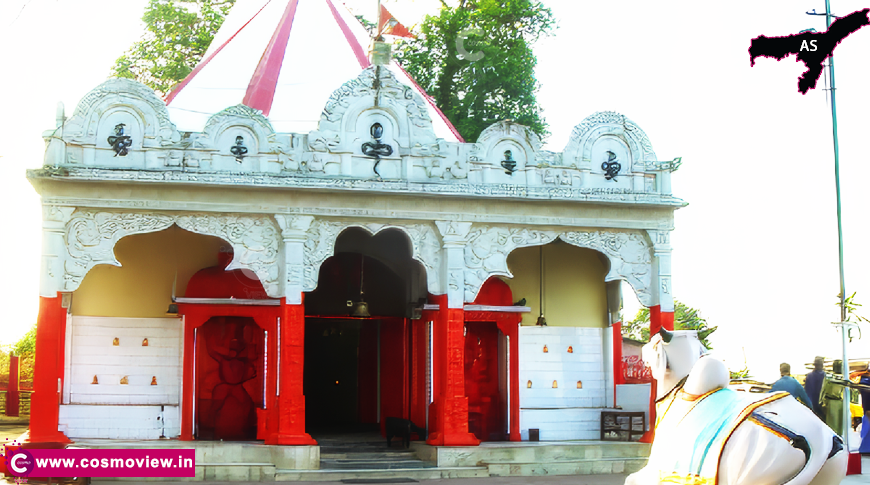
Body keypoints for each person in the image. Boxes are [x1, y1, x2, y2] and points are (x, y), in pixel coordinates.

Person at [820, 360, 847, 436]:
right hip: (832, 401)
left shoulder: (844, 377)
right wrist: (822, 401)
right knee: (833, 424)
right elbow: (824, 389)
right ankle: (834, 440)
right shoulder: (830, 376)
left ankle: (839, 439)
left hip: (840, 401)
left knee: (840, 424)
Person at [859, 364, 870, 453]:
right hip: (868, 409)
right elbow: (866, 396)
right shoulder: (865, 382)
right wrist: (867, 409)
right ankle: (865, 449)